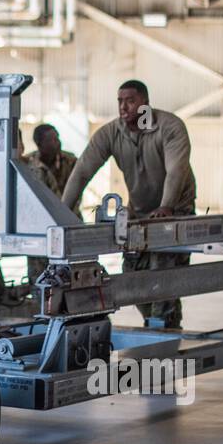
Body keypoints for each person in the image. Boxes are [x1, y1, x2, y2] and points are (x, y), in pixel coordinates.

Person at [60, 79, 196, 329]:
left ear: (145, 103)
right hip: (140, 213)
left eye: (130, 101)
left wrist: (167, 206)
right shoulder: (112, 132)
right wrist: (61, 211)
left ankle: (165, 328)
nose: (123, 107)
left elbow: (176, 170)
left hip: (175, 212)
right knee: (132, 274)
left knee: (161, 277)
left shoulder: (170, 126)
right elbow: (82, 171)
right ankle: (155, 322)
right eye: (120, 101)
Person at [21, 123, 77, 283]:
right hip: (40, 228)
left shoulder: (71, 161)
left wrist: (67, 215)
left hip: (67, 224)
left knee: (69, 275)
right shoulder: (30, 165)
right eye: (51, 139)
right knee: (39, 277)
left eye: (57, 137)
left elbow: (77, 193)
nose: (57, 142)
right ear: (39, 144)